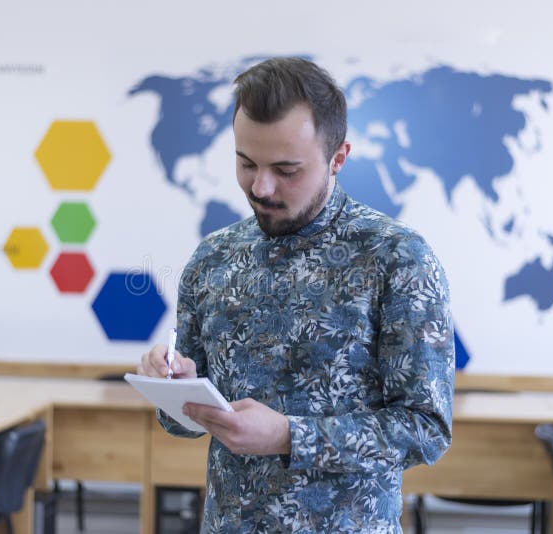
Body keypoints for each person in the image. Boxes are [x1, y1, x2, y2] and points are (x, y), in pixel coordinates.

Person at [138, 57, 454, 533]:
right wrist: (176, 390)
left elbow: (426, 430)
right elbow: (184, 425)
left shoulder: (396, 258)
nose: (260, 187)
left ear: (338, 158)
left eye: (286, 170)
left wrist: (290, 436)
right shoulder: (213, 258)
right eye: (246, 163)